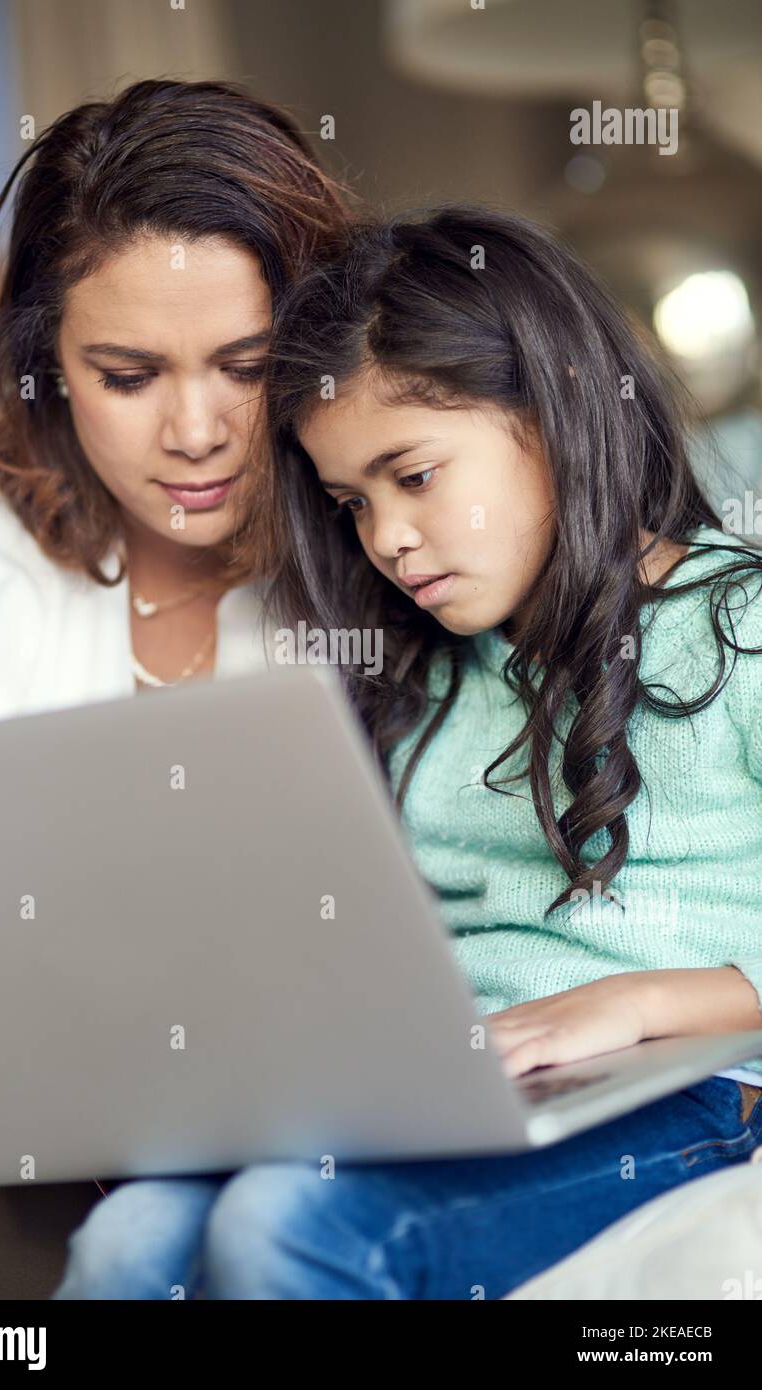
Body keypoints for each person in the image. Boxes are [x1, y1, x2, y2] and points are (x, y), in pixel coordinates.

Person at [50, 206, 762, 1300]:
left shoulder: (741, 623)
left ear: (560, 404)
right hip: (461, 1085)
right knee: (130, 1238)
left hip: (688, 1089)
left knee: (291, 1223)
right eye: (351, 504)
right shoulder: (429, 682)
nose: (384, 538)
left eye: (414, 476)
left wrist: (643, 1002)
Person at [0, 77, 352, 1283]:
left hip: (235, 1094)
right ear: (45, 356)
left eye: (247, 365)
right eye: (128, 374)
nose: (195, 431)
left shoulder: (390, 552)